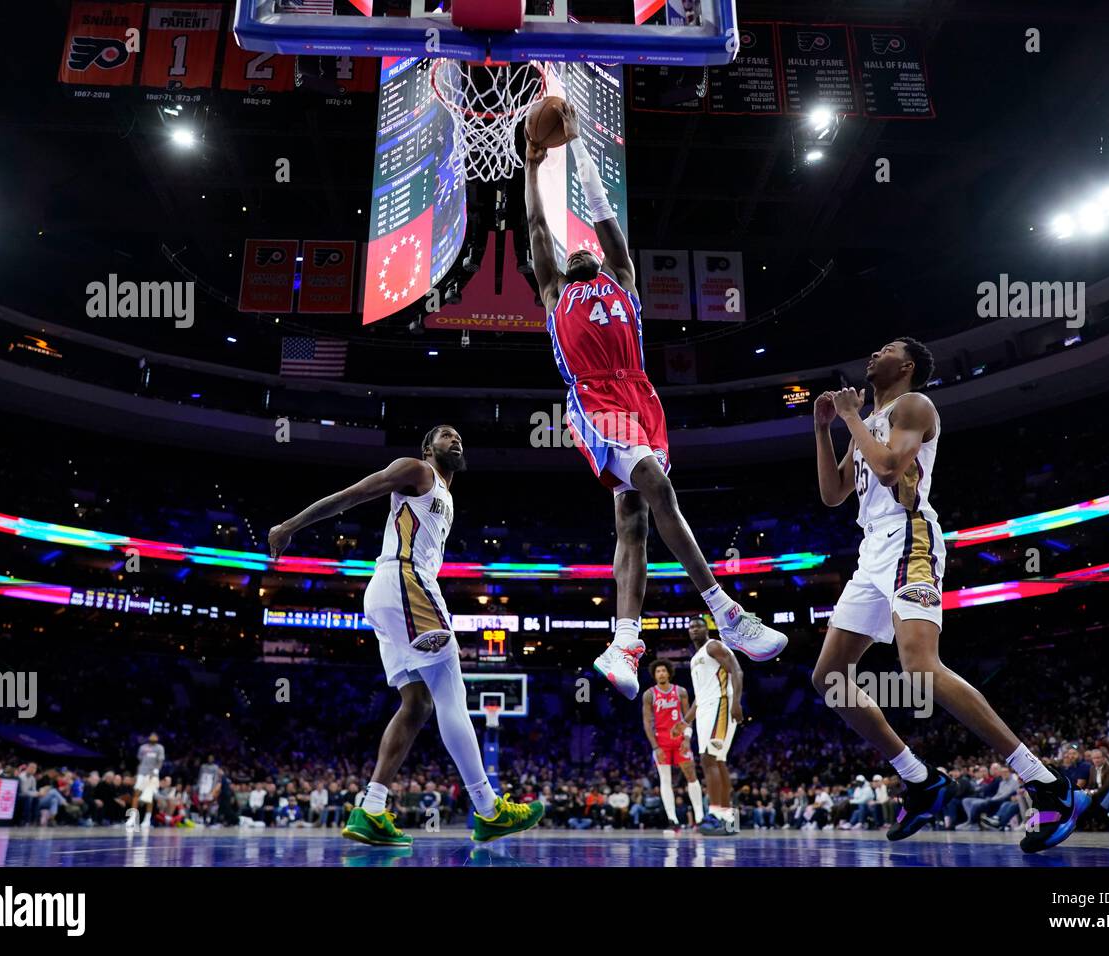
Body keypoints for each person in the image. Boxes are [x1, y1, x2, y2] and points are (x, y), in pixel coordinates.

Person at [524, 105, 787, 700]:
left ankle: (624, 644)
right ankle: (726, 611)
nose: (579, 251)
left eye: (587, 249)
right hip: (594, 396)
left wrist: (584, 150)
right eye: (573, 254)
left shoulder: (621, 280)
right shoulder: (552, 292)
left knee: (632, 517)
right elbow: (538, 228)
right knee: (655, 486)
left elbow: (607, 217)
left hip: (641, 396)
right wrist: (534, 166)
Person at [812, 339, 1086, 853]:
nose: (872, 354)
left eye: (886, 349)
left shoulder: (914, 406)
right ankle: (918, 777)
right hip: (870, 548)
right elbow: (833, 494)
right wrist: (822, 428)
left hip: (909, 537)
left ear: (908, 365)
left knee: (919, 667)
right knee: (828, 678)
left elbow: (892, 468)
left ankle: (1046, 782)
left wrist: (849, 417)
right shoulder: (863, 421)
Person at [270, 425, 543, 845]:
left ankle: (371, 810)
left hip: (391, 593)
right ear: (427, 447)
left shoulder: (445, 496)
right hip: (404, 580)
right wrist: (291, 524)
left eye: (459, 435)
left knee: (417, 705)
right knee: (451, 689)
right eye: (446, 435)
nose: (456, 440)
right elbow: (354, 494)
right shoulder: (416, 470)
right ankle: (489, 809)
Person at [672, 617, 743, 836]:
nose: (694, 629)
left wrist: (737, 702)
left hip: (721, 704)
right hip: (706, 709)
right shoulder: (696, 658)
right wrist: (684, 722)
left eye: (698, 626)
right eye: (691, 626)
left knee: (709, 759)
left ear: (706, 629)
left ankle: (715, 814)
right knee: (717, 760)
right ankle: (728, 818)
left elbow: (737, 671)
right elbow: (700, 696)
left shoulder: (713, 646)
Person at [641, 658, 704, 831]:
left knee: (691, 775)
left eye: (663, 670)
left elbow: (689, 716)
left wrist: (687, 738)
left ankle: (699, 817)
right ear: (654, 675)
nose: (661, 673)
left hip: (679, 739)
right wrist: (655, 746)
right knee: (665, 780)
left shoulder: (681, 692)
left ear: (669, 673)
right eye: (657, 671)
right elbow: (647, 723)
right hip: (661, 741)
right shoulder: (649, 694)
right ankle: (672, 819)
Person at [133, 733, 165, 831]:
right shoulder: (142, 747)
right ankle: (133, 818)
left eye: (155, 736)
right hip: (142, 773)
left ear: (157, 738)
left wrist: (156, 770)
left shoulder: (159, 748)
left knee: (149, 796)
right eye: (151, 736)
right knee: (136, 794)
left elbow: (160, 761)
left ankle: (147, 820)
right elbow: (140, 759)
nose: (153, 737)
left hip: (153, 774)